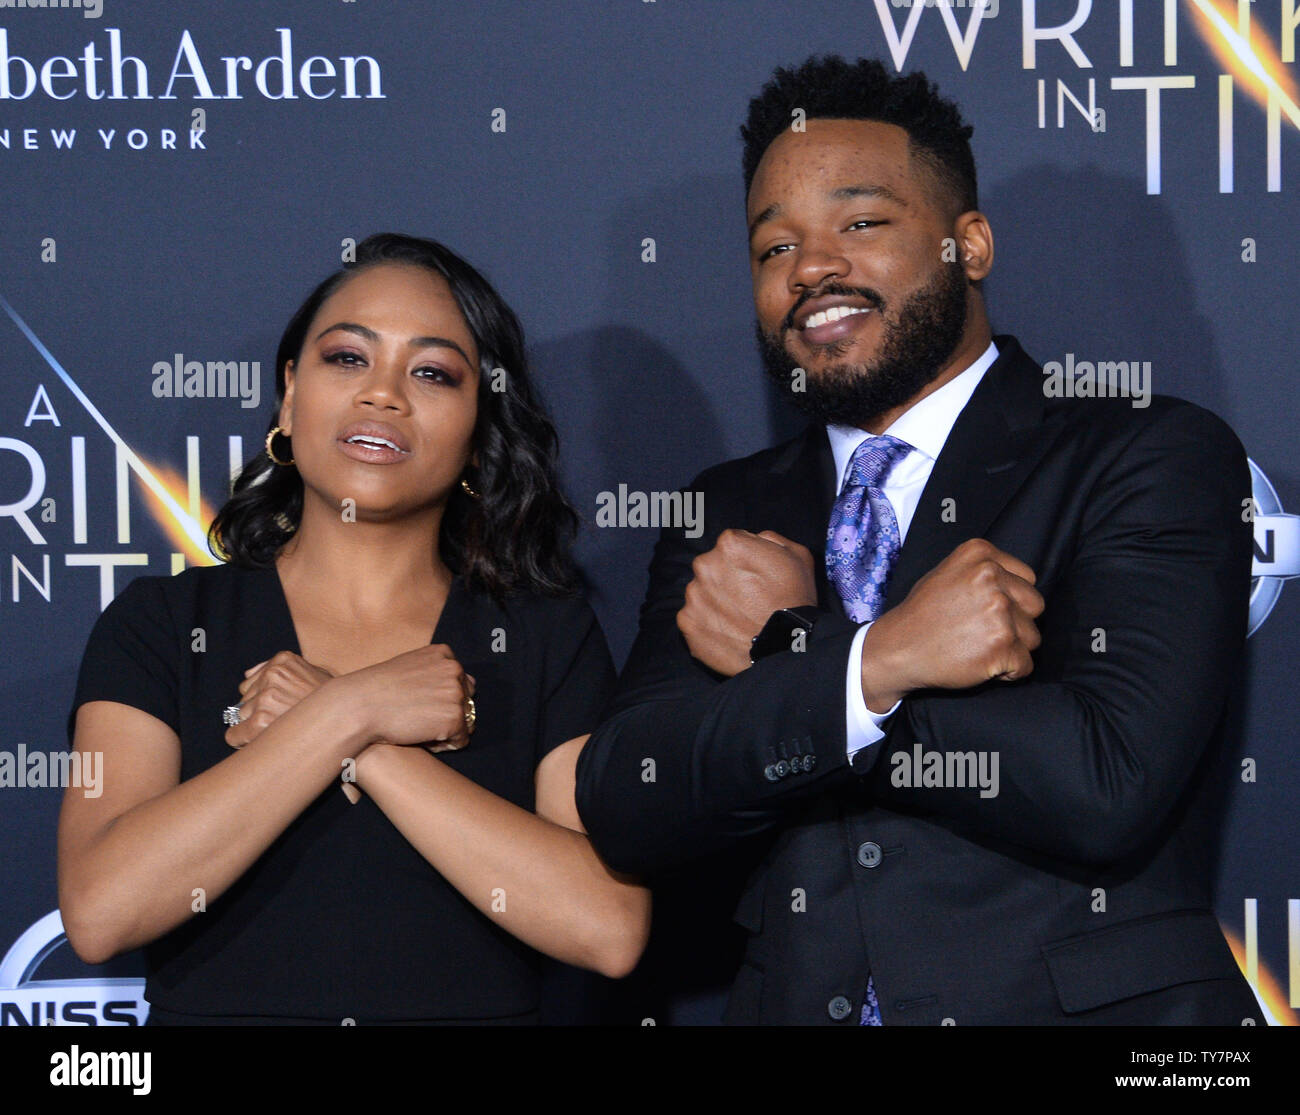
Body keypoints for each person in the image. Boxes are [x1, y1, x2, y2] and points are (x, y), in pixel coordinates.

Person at [575, 56, 1262, 1025]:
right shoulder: (725, 509)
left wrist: (801, 647)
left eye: (860, 223)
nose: (810, 268)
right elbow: (628, 796)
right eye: (774, 248)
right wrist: (884, 660)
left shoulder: (1144, 452)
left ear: (967, 244)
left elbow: (1108, 778)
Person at [59, 233, 649, 1024]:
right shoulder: (162, 626)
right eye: (347, 358)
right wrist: (352, 710)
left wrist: (353, 735)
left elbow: (607, 925)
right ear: (290, 395)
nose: (384, 394)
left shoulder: (544, 634)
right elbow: (100, 910)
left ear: (479, 432)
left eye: (433, 372)